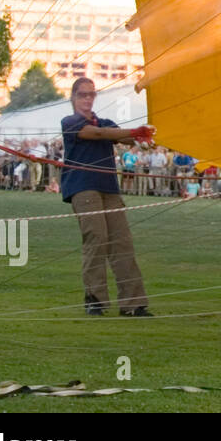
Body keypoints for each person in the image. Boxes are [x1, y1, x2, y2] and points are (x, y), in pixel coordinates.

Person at [61, 78, 156, 317]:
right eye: (83, 95)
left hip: (108, 187)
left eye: (91, 95)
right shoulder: (70, 122)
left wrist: (145, 136)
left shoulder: (106, 122)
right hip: (83, 187)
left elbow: (120, 136)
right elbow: (99, 133)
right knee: (97, 238)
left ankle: (133, 304)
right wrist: (135, 132)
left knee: (122, 242)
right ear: (73, 97)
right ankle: (95, 299)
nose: (87, 99)